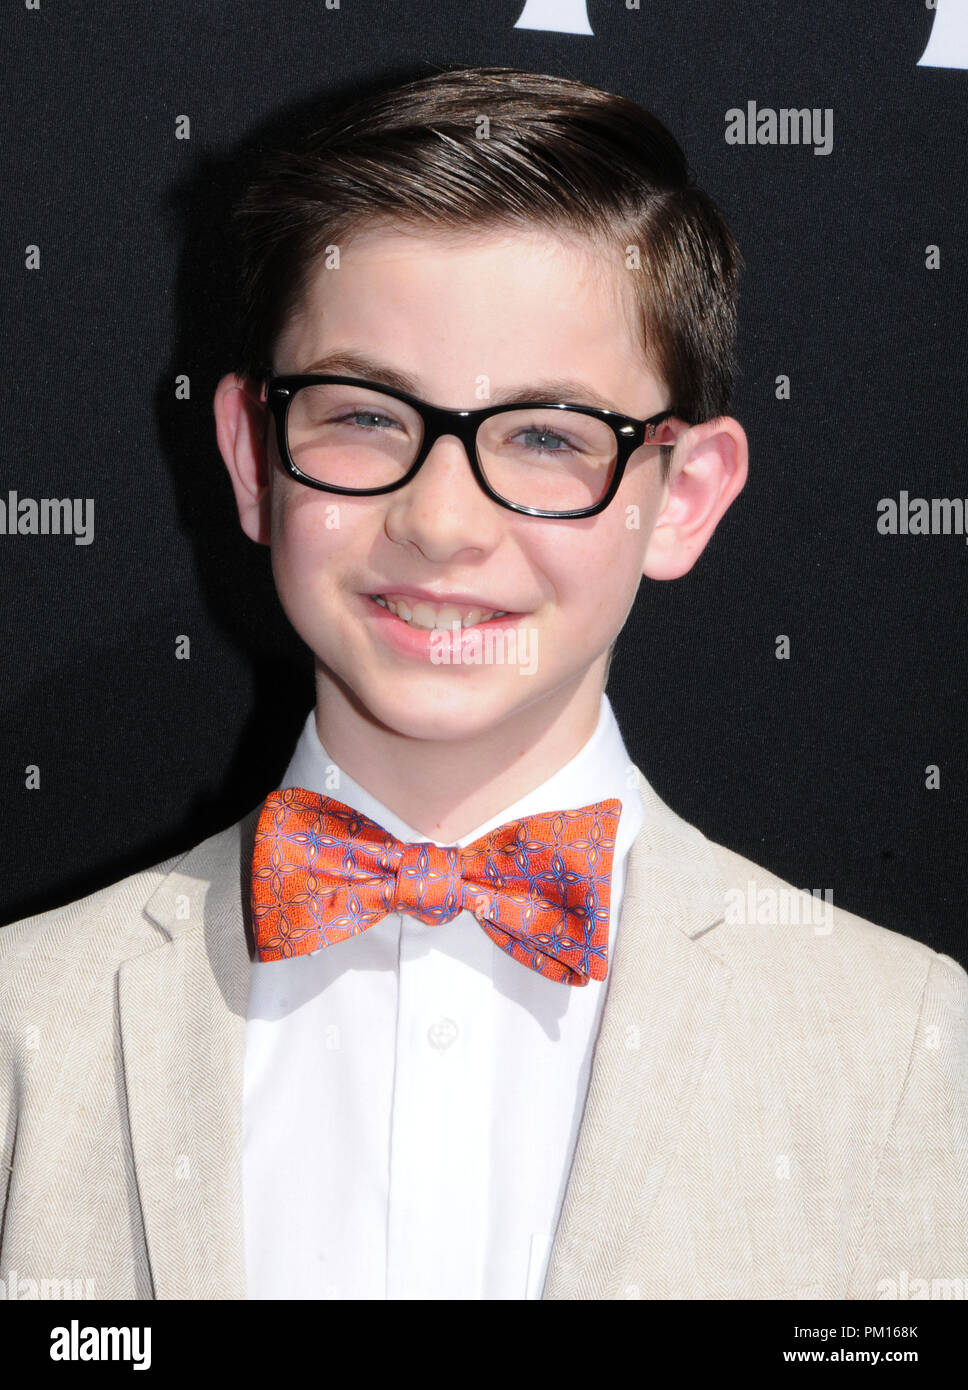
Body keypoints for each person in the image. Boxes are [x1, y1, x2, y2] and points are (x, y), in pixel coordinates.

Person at [1, 65, 965, 1302]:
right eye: (359, 415)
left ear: (683, 497)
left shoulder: (891, 1043)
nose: (442, 521)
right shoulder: (29, 1026)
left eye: (549, 436)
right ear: (251, 458)